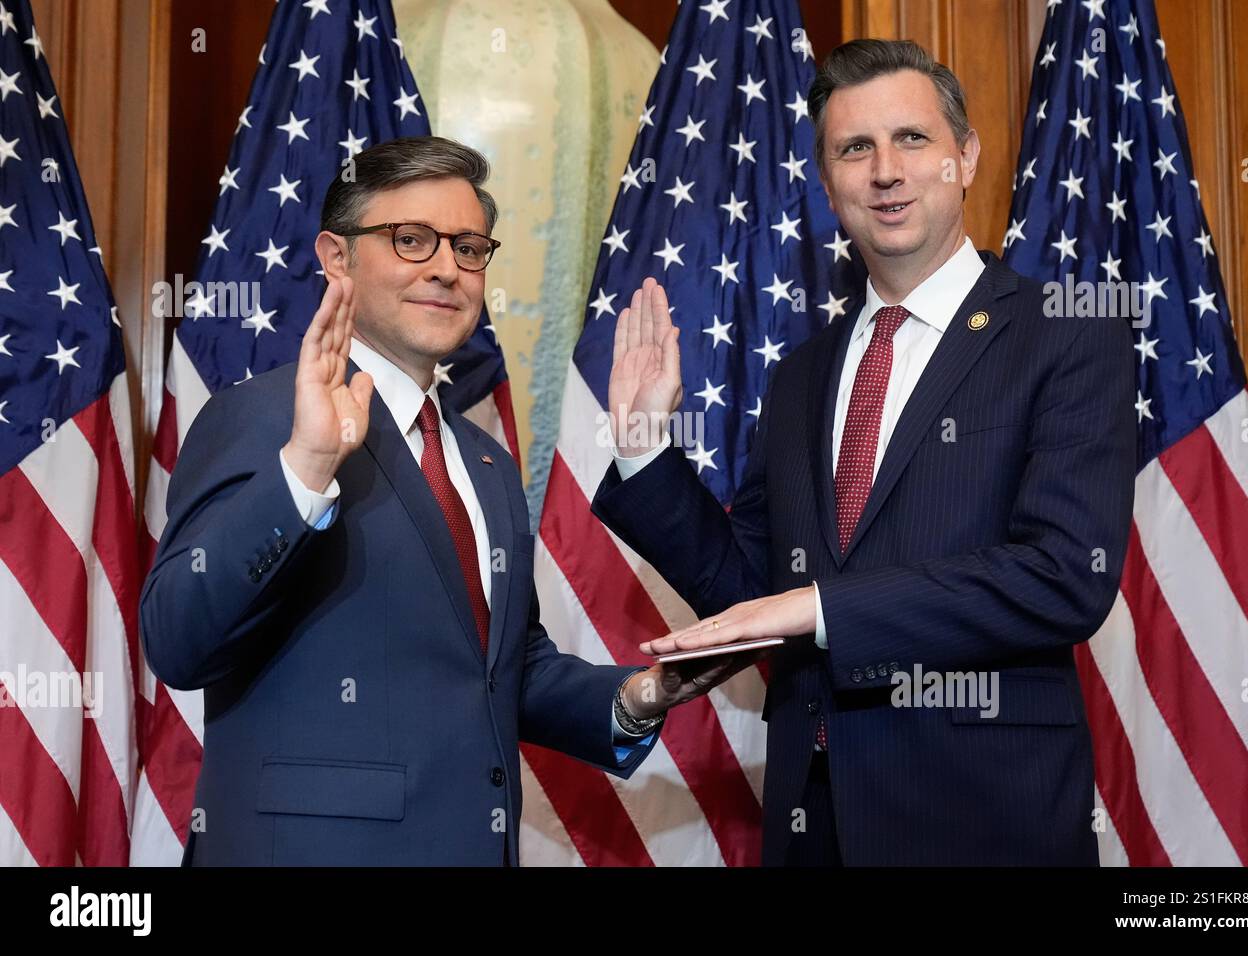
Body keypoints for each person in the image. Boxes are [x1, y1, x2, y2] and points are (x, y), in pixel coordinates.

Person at [591, 40, 1136, 865]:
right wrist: (643, 452)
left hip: (984, 822)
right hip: (813, 822)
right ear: (828, 178)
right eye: (855, 148)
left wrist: (823, 609)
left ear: (966, 156)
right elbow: (751, 594)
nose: (886, 170)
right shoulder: (802, 376)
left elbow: (1064, 575)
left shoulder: (1064, 336)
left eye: (912, 139)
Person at [140, 136, 739, 866]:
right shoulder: (263, 420)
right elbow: (177, 637)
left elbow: (503, 668)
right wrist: (306, 468)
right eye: (411, 240)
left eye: (468, 247)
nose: (447, 269)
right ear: (336, 258)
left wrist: (643, 695)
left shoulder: (483, 460)